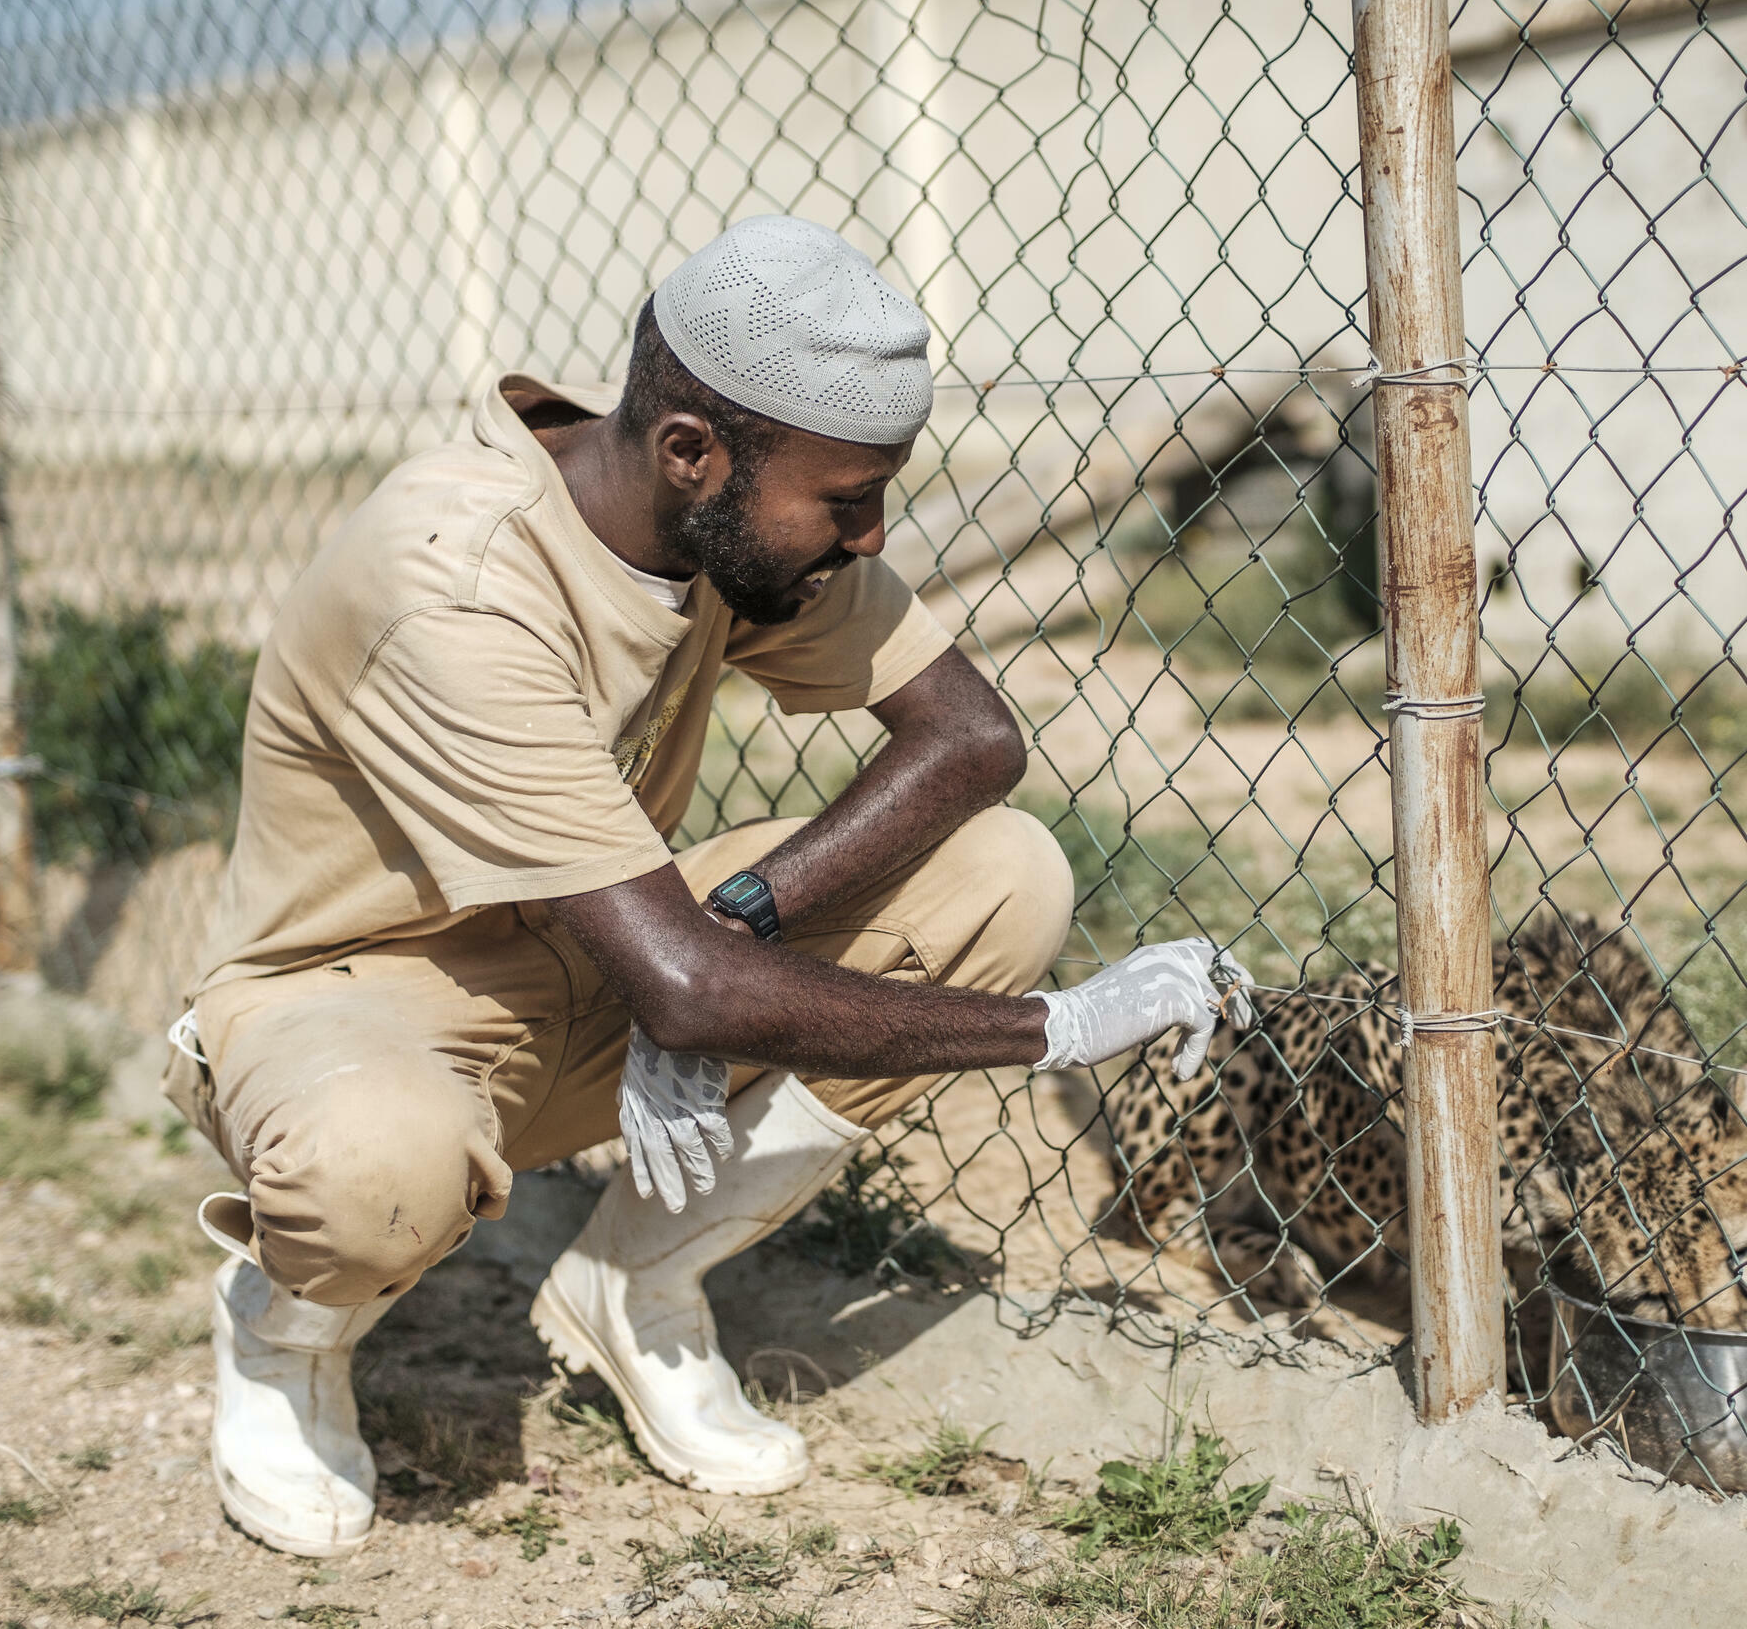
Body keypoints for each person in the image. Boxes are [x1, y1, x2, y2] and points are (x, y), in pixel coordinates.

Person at [161, 214, 1253, 1558]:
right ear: (694, 450)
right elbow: (681, 986)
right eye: (846, 500)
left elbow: (970, 739)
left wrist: (732, 930)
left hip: (600, 949)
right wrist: (1059, 1030)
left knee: (1003, 873)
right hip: (359, 998)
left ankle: (638, 1282)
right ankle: (285, 1334)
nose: (871, 537)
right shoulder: (454, 581)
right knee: (371, 1171)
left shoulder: (720, 527)